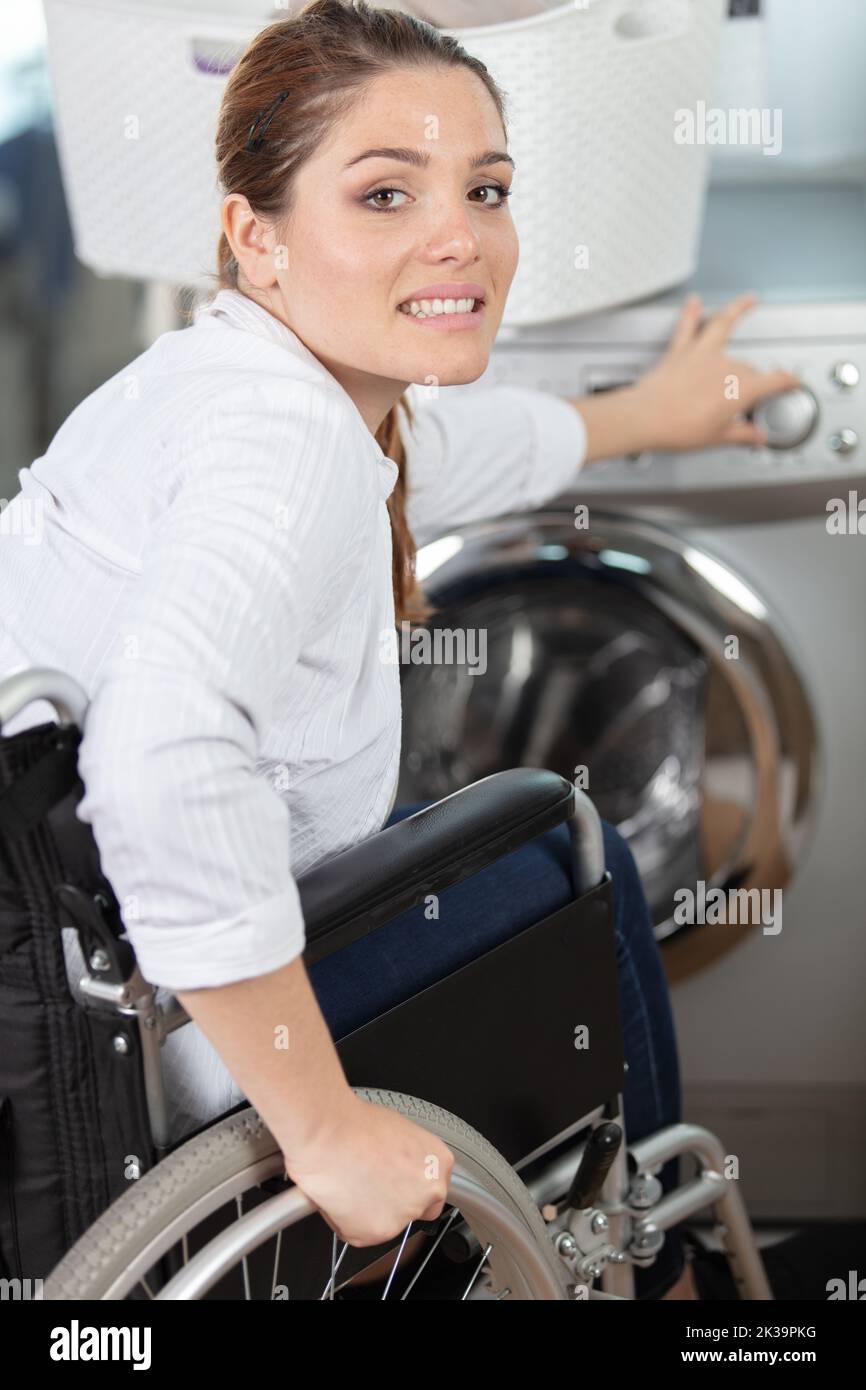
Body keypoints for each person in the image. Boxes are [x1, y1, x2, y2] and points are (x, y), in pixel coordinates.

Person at [0, 0, 799, 1298]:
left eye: (485, 187)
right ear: (253, 237)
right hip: (181, 1032)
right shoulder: (290, 451)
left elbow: (439, 456)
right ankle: (654, 1255)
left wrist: (648, 412)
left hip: (65, 981)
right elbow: (159, 760)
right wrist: (324, 1130)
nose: (459, 236)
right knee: (558, 834)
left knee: (461, 820)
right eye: (384, 194)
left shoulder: (229, 382)